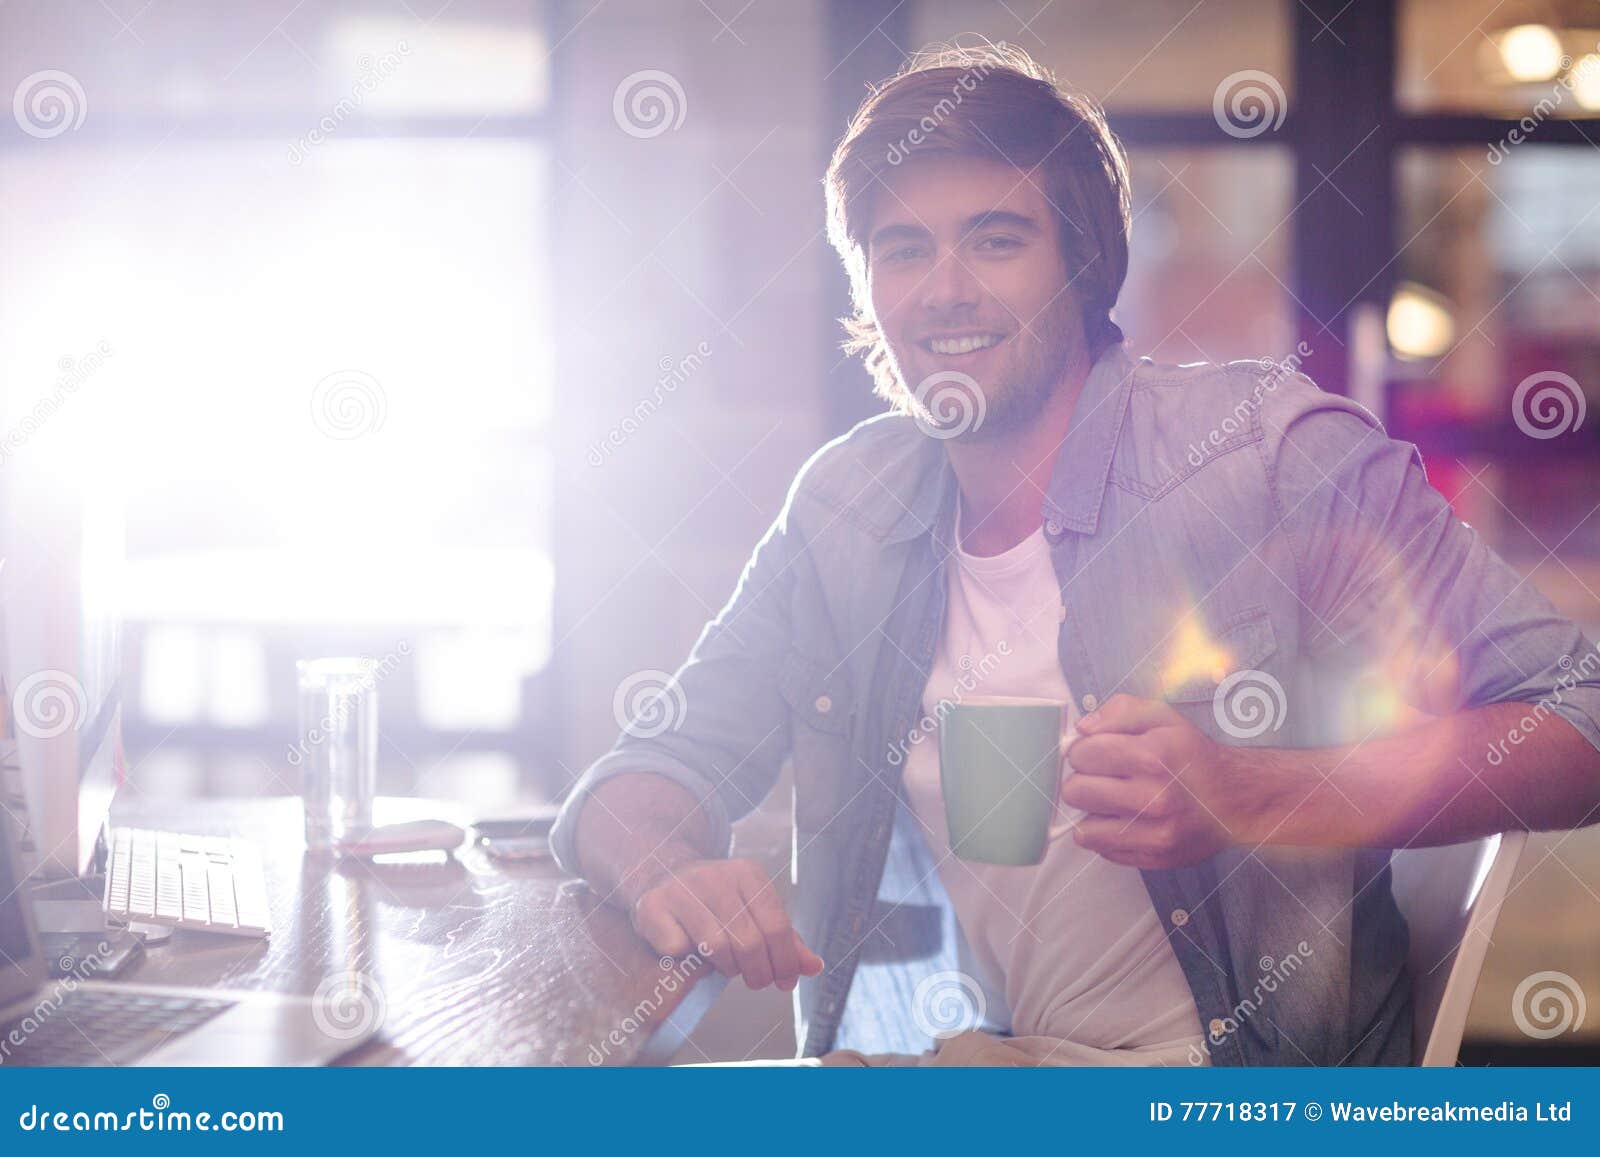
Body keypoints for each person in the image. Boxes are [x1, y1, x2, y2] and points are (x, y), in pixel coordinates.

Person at [550, 43, 1600, 1066]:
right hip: (947, 1061)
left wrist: (1255, 791)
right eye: (902, 249)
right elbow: (652, 763)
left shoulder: (1269, 457)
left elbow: (1580, 710)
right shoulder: (844, 506)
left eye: (996, 240)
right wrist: (664, 867)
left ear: (1084, 263)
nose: (943, 289)